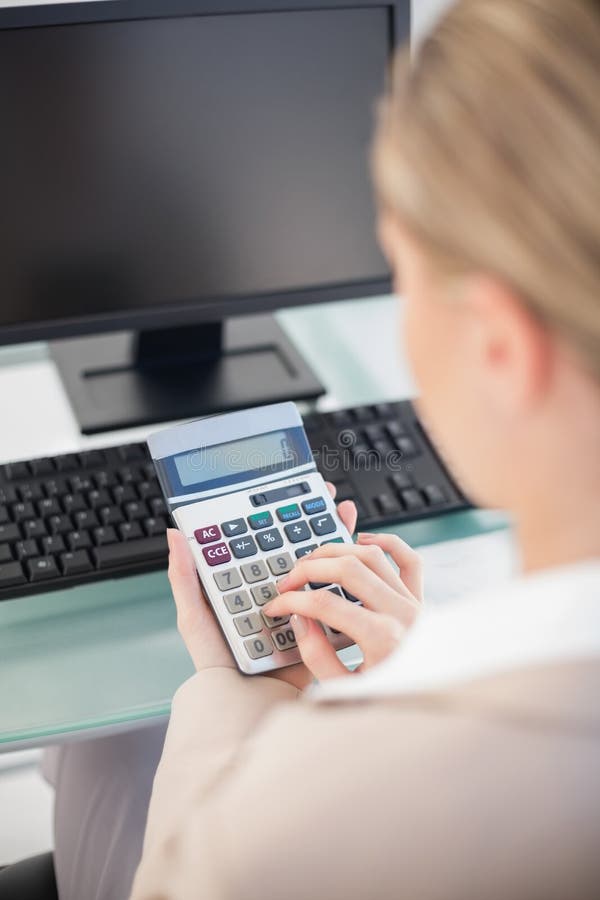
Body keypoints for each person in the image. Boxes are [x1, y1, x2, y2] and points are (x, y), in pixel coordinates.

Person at [48, 0, 600, 897]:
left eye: (403, 276)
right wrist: (422, 669)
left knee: (105, 751)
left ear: (501, 344)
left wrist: (245, 687)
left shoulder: (310, 818)